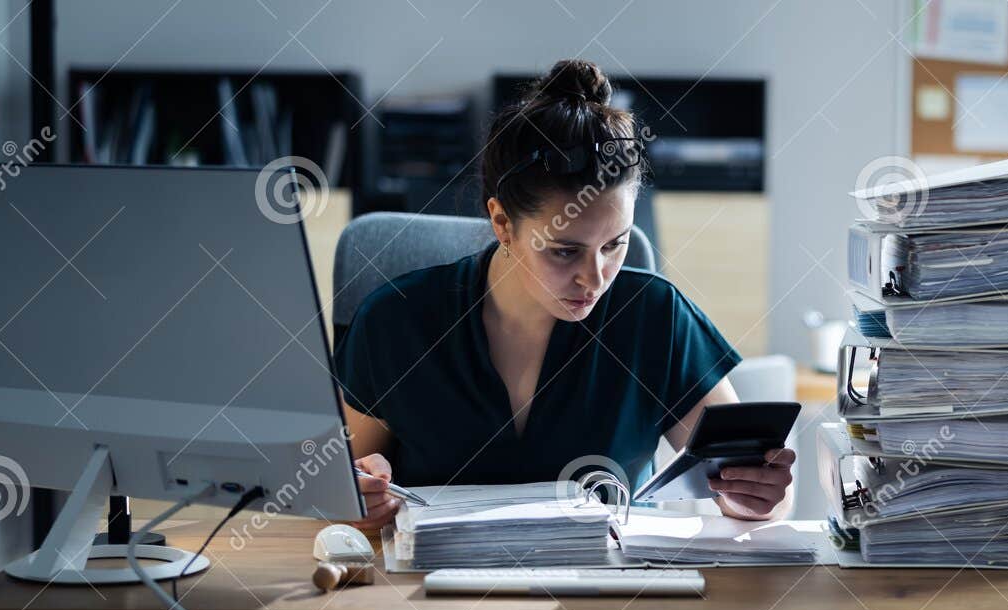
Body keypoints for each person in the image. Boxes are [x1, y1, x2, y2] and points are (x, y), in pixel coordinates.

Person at [335, 59, 794, 530]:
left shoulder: (656, 317)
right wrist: (361, 499)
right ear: (502, 224)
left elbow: (759, 492)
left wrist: (755, 497)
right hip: (437, 593)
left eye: (615, 245)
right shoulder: (396, 320)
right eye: (564, 251)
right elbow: (343, 492)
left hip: (610, 595)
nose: (594, 278)